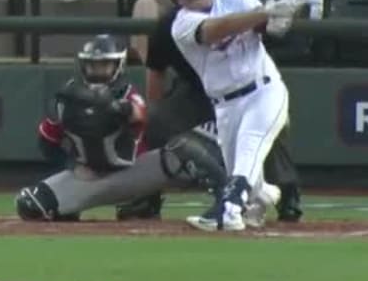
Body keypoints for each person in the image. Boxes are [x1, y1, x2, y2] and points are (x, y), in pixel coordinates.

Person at [13, 35, 230, 223]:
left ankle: (228, 199)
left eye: (104, 65)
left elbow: (139, 113)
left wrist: (113, 109)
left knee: (183, 149)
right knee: (31, 205)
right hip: (89, 177)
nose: (97, 71)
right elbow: (47, 141)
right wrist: (71, 164)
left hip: (131, 173)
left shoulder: (127, 95)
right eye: (93, 65)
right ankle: (71, 206)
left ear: (118, 66)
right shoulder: (68, 99)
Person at [167, 0, 296, 232]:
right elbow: (215, 30)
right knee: (245, 173)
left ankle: (229, 211)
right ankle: (264, 194)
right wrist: (265, 12)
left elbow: (267, 28)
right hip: (225, 106)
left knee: (250, 147)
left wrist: (279, 17)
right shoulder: (182, 24)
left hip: (264, 91)